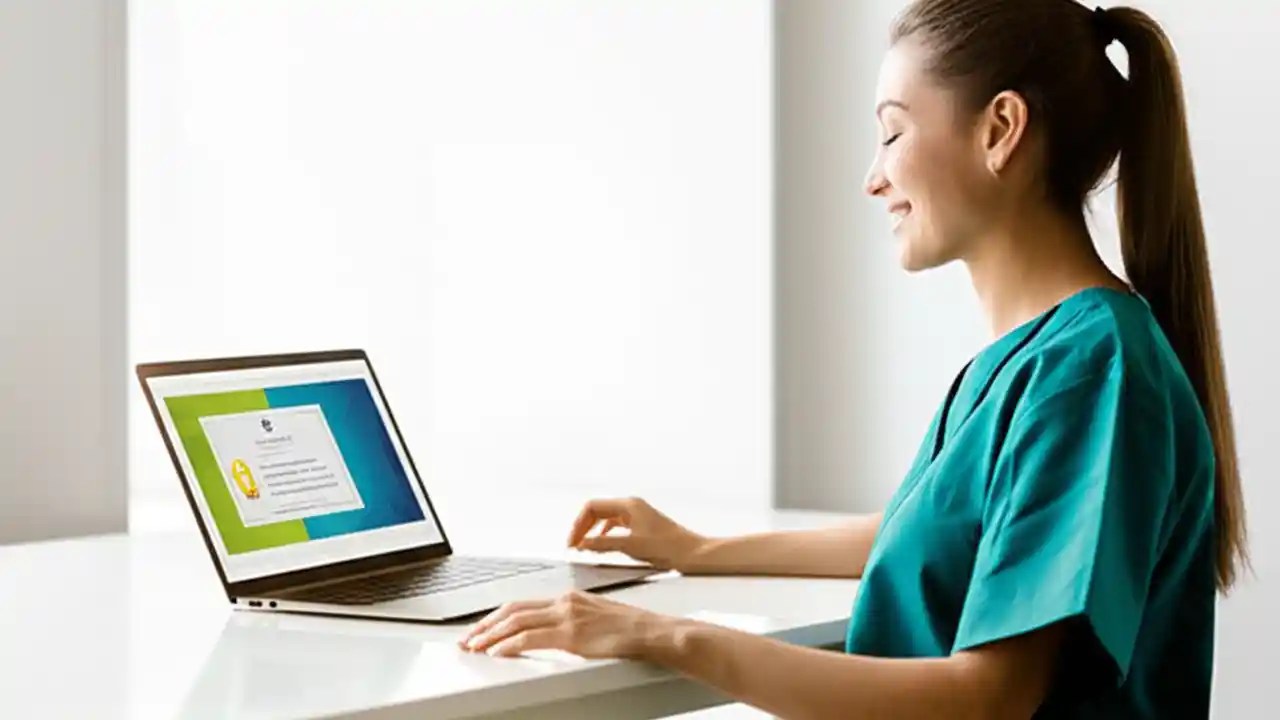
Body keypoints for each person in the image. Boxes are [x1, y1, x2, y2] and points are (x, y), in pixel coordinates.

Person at [459, 1, 1248, 716]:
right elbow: (928, 532)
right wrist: (698, 551)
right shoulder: (1031, 362)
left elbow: (989, 700)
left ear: (1000, 129)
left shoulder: (1092, 371)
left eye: (893, 130)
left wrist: (668, 637)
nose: (874, 178)